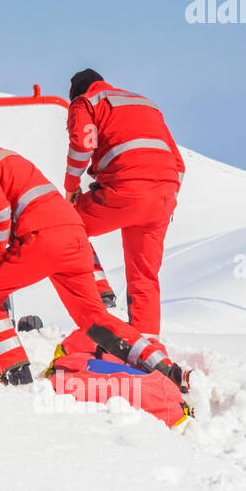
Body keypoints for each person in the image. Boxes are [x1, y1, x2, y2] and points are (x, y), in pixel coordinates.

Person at [0, 144, 190, 391]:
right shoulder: (0, 156)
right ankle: (166, 369)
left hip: (40, 237)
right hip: (76, 234)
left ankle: (16, 376)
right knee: (95, 318)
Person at [63, 69, 184, 338]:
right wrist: (169, 199)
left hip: (125, 190)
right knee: (145, 277)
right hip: (163, 198)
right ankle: (148, 349)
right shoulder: (145, 104)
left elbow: (83, 144)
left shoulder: (86, 102)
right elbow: (178, 164)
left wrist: (71, 187)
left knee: (65, 224)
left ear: (76, 94)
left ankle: (100, 291)